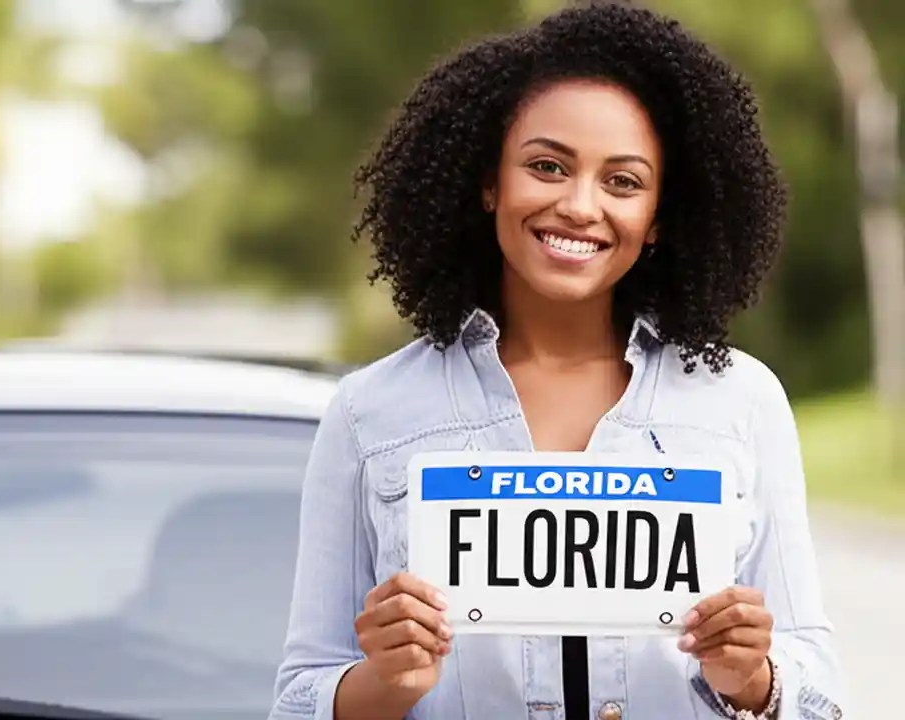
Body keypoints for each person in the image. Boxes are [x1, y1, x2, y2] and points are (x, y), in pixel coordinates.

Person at [269, 2, 846, 720]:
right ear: (489, 182)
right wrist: (388, 682)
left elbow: (819, 697)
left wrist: (754, 679)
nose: (580, 205)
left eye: (624, 182)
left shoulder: (742, 403)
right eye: (547, 166)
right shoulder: (368, 413)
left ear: (662, 215)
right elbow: (298, 700)